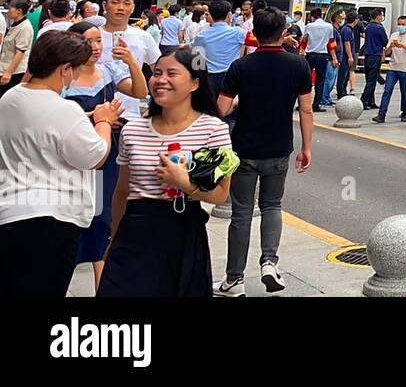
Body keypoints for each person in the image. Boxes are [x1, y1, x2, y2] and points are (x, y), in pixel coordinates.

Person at [99, 48, 234, 297]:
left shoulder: (213, 129)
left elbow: (220, 195)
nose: (160, 80)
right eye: (157, 73)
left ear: (195, 83)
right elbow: (122, 191)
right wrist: (114, 237)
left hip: (182, 232)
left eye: (172, 73)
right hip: (134, 231)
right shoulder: (133, 130)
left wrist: (183, 182)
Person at [0, 33, 122, 297]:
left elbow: (43, 131)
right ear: (65, 69)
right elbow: (95, 155)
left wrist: (84, 119)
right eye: (76, 70)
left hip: (12, 210)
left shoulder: (11, 97)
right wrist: (103, 121)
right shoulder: (63, 109)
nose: (75, 77)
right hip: (51, 218)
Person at [214, 8, 313, 296]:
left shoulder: (241, 66)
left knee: (242, 213)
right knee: (272, 205)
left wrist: (237, 104)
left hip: (244, 148)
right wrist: (306, 147)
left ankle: (234, 279)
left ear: (254, 33)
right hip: (279, 147)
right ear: (284, 33)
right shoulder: (298, 66)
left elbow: (221, 108)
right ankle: (270, 262)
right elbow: (305, 108)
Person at [64, 22, 146, 288]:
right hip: (72, 159)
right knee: (72, 217)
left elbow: (140, 91)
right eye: (90, 41)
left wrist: (132, 60)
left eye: (100, 41)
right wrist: (94, 118)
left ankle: (103, 287)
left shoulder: (109, 71)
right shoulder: (64, 77)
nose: (97, 47)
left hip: (104, 154)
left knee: (101, 218)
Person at [97, 0, 161, 119]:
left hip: (131, 114)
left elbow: (158, 70)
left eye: (126, 3)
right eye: (115, 2)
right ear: (105, 5)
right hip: (95, 111)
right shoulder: (92, 36)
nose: (121, 8)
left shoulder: (144, 37)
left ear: (132, 8)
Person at [191, 0, 245, 120]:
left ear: (210, 15)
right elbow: (259, 40)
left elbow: (196, 62)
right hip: (231, 77)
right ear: (229, 15)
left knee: (208, 113)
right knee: (230, 116)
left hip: (208, 79)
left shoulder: (201, 36)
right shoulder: (238, 33)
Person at [373, 15, 406, 123]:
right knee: (387, 90)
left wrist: (402, 45)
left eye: (403, 24)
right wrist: (390, 46)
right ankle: (381, 114)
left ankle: (404, 112)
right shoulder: (394, 35)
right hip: (393, 67)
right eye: (399, 24)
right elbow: (387, 52)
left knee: (405, 92)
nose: (401, 26)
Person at [0, 0, 33, 95]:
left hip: (14, 72)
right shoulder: (15, 24)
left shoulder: (25, 27)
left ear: (19, 11)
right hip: (4, 67)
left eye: (10, 8)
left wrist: (8, 73)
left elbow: (20, 52)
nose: (8, 11)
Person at [303, 8, 334, 111]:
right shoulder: (329, 26)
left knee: (306, 79)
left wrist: (301, 51)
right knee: (320, 80)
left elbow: (304, 39)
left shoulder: (309, 26)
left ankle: (303, 103)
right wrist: (334, 58)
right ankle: (316, 104)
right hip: (322, 55)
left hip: (310, 55)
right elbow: (331, 43)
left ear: (312, 16)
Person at [359, 9, 387, 110]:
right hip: (375, 55)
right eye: (382, 15)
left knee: (369, 79)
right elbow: (385, 41)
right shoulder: (380, 28)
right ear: (378, 16)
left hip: (367, 55)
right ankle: (363, 100)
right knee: (372, 80)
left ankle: (371, 102)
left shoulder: (368, 27)